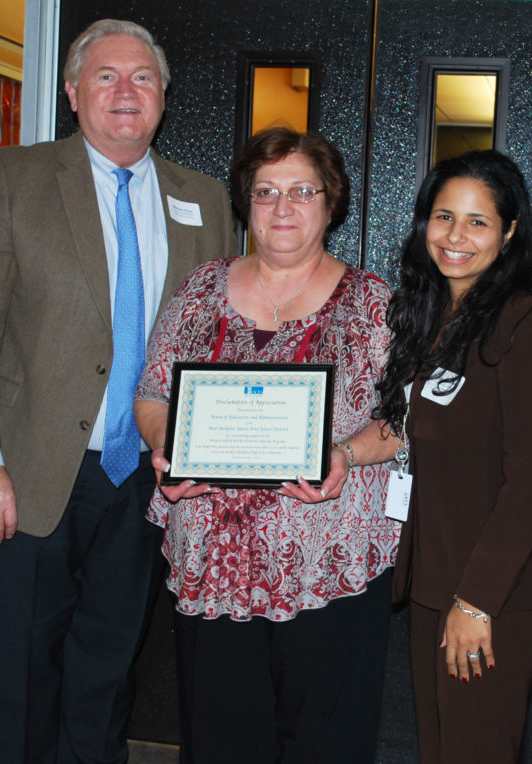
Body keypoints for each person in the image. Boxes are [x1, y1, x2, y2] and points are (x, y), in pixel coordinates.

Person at [0, 19, 235, 763]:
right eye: (106, 77)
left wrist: (200, 448)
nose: (125, 92)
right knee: (22, 678)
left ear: (164, 96)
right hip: (26, 475)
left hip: (143, 480)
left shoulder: (206, 199)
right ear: (72, 93)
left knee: (108, 669)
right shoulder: (15, 176)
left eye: (142, 78)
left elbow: (215, 340)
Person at [133, 126, 401, 764]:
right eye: (265, 192)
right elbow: (151, 395)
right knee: (222, 740)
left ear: (331, 203)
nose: (282, 208)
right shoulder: (201, 288)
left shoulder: (372, 303)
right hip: (212, 572)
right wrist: (167, 450)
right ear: (245, 204)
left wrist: (345, 455)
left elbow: (405, 421)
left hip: (326, 568)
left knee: (323, 743)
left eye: (302, 191)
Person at [375, 150, 532, 763]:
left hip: (495, 590)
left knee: (475, 751)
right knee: (440, 747)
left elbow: (530, 481)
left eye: (478, 221)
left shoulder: (528, 325)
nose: (456, 236)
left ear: (510, 232)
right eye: (443, 216)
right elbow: (411, 435)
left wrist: (477, 600)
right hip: (439, 573)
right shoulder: (435, 317)